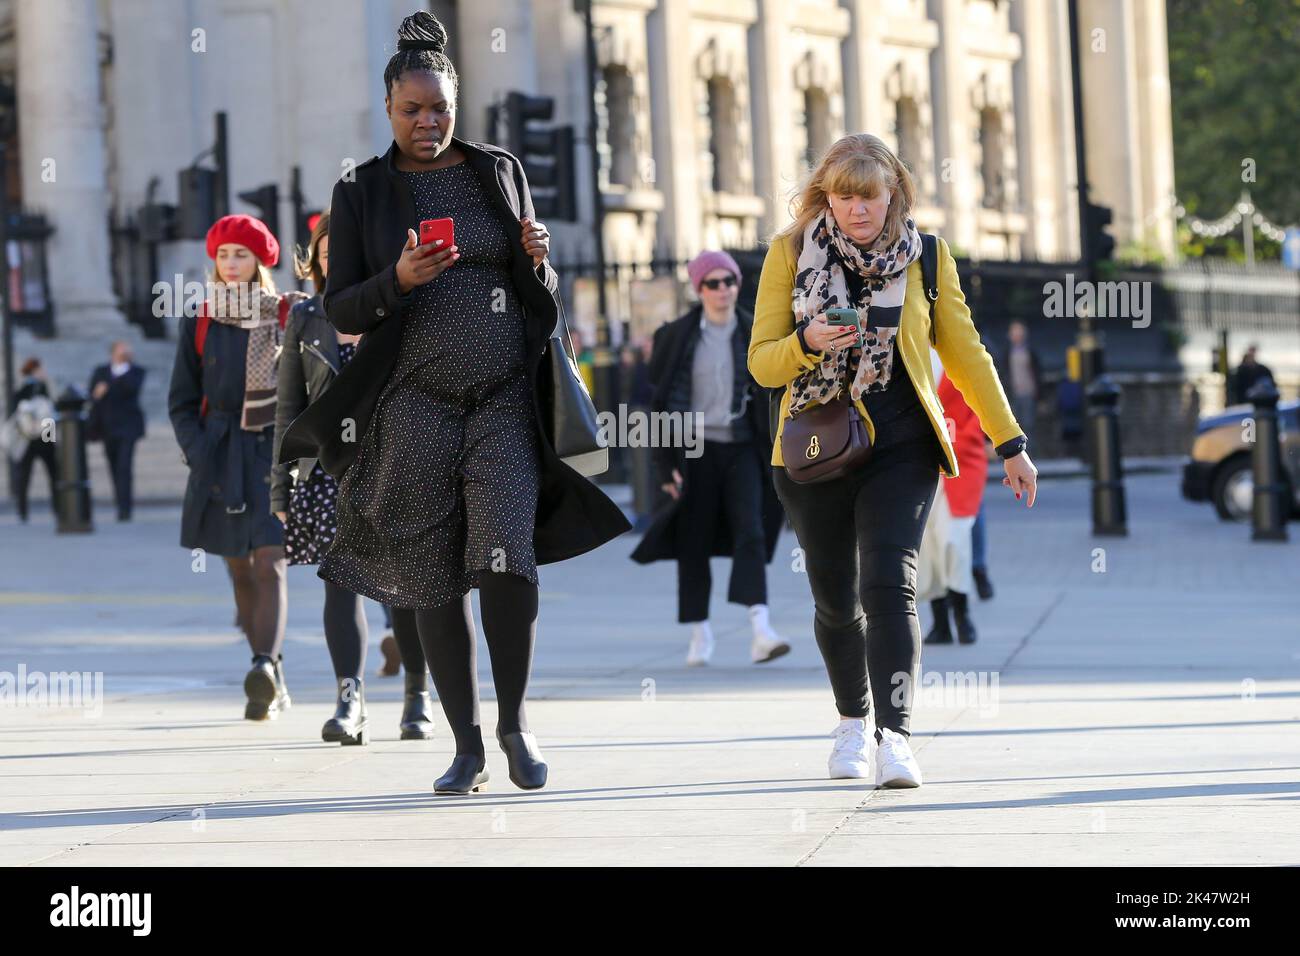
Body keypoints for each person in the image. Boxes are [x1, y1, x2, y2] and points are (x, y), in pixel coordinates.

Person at [282, 11, 630, 794]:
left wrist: (537, 262)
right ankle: (465, 743)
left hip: (502, 400)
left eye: (440, 107)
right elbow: (339, 308)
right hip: (411, 406)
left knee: (506, 561)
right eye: (413, 110)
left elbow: (533, 288)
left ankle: (514, 724)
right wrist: (398, 280)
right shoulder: (362, 191)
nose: (428, 121)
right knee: (432, 575)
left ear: (455, 101)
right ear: (388, 110)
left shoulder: (497, 170)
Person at [749, 133, 1037, 788]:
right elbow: (762, 361)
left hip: (902, 449)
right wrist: (806, 341)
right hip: (815, 447)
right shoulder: (791, 254)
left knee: (890, 581)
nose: (857, 210)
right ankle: (851, 722)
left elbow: (966, 355)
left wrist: (1010, 442)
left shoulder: (927, 260)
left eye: (869, 196)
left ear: (894, 195)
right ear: (827, 197)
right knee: (835, 597)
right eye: (844, 197)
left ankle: (895, 735)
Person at [271, 210, 434, 745]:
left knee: (405, 583)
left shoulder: (397, 307)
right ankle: (350, 701)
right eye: (325, 254)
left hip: (393, 462)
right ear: (316, 262)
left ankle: (417, 693)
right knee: (339, 584)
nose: (333, 261)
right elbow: (289, 407)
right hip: (327, 471)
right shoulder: (305, 317)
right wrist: (282, 484)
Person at [168, 213, 308, 721]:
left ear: (259, 262)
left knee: (270, 560)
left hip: (273, 452)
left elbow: (308, 387)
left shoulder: (289, 314)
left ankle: (263, 667)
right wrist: (200, 450)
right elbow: (182, 399)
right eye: (224, 255)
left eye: (241, 255)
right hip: (220, 453)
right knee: (238, 567)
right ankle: (274, 670)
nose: (231, 264)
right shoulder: (200, 318)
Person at [630, 250, 789, 665]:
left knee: (750, 531)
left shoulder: (754, 331)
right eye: (712, 284)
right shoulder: (676, 336)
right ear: (698, 289)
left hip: (742, 449)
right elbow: (659, 402)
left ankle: (761, 628)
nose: (723, 291)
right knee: (693, 541)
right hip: (694, 451)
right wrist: (665, 466)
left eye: (729, 282)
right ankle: (700, 632)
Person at [919, 351, 988, 645]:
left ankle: (961, 613)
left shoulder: (958, 346)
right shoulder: (906, 342)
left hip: (961, 460)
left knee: (954, 539)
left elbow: (984, 395)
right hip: (919, 462)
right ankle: (940, 621)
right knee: (927, 545)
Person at [88, 341, 146, 521]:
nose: (125, 351)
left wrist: (121, 370)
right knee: (114, 467)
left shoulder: (135, 371)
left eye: (127, 349)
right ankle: (119, 502)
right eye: (121, 349)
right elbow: (93, 395)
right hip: (107, 427)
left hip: (128, 427)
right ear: (112, 352)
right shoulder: (101, 371)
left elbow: (131, 389)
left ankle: (125, 509)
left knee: (124, 467)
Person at [5, 358, 58, 522]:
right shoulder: (37, 387)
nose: (43, 372)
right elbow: (49, 412)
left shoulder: (24, 387)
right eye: (40, 369)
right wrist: (50, 439)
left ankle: (23, 512)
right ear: (34, 370)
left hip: (28, 437)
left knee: (26, 476)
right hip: (38, 436)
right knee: (51, 474)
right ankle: (57, 509)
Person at [995, 321, 1041, 450]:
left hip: (1028, 392)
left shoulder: (1030, 351)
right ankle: (1015, 451)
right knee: (1012, 424)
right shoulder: (1007, 353)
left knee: (1028, 423)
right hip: (1013, 392)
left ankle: (1030, 451)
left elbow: (1037, 372)